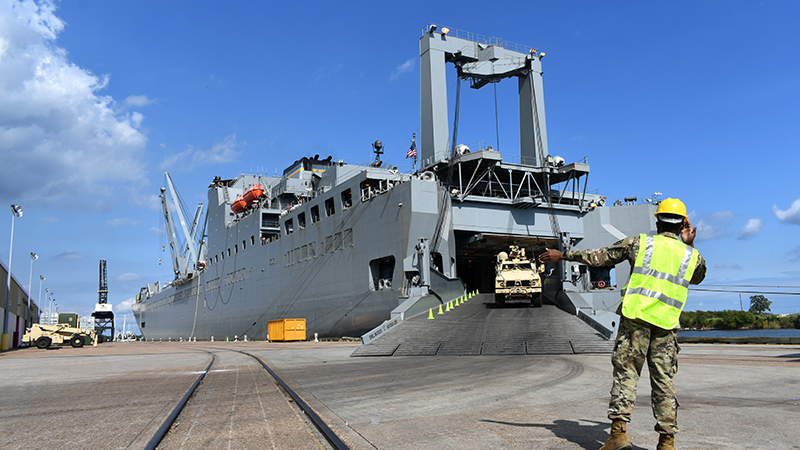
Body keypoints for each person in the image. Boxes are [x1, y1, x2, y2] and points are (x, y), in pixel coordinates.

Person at [539, 198, 705, 450]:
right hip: (667, 327)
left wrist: (563, 255)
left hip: (636, 322)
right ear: (683, 223)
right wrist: (689, 243)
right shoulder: (690, 255)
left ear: (656, 220)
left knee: (626, 377)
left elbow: (601, 257)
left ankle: (618, 435)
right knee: (664, 384)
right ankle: (667, 443)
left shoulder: (640, 243)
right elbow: (699, 277)